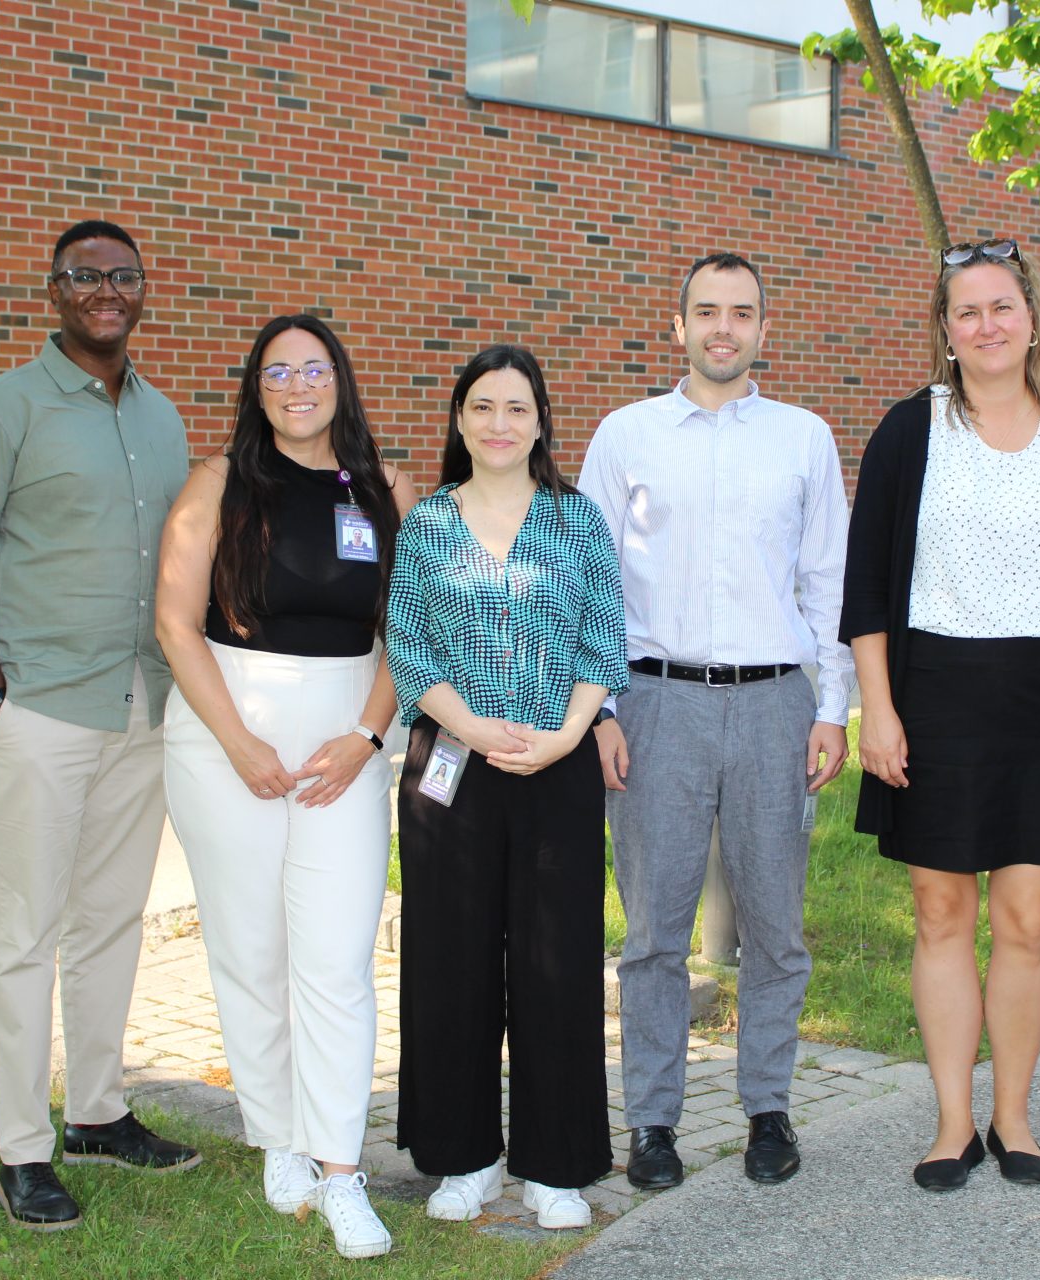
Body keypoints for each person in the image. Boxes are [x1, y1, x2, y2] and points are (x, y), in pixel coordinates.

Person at [0, 220, 198, 1232]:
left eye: (122, 277)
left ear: (141, 291)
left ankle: (96, 1110)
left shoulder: (164, 418)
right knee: (25, 933)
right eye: (86, 277)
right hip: (40, 703)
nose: (105, 292)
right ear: (54, 289)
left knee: (113, 919)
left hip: (143, 704)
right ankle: (23, 1148)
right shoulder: (5, 408)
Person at [840, 237, 1040, 1191]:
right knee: (941, 906)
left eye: (1002, 306)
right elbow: (867, 588)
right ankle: (953, 1123)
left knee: (1029, 912)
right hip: (937, 697)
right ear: (946, 332)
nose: (987, 325)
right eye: (968, 312)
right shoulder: (909, 431)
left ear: (1032, 317)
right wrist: (876, 711)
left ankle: (1015, 1117)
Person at [578, 251, 851, 1190]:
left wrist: (834, 707)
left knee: (775, 924)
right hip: (657, 703)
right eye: (706, 311)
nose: (723, 328)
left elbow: (828, 580)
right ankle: (652, 1124)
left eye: (741, 312)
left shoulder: (804, 438)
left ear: (763, 330)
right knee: (653, 931)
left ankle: (768, 1110)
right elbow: (590, 584)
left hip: (777, 700)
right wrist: (603, 709)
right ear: (679, 326)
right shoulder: (625, 436)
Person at [154, 314, 415, 1258]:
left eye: (313, 369)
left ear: (340, 381)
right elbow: (176, 624)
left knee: (337, 959)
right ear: (256, 389)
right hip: (231, 728)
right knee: (250, 949)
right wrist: (236, 741)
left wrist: (365, 735)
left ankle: (341, 1167)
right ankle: (277, 1139)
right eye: (277, 372)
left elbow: (407, 636)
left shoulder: (387, 491)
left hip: (345, 735)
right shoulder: (219, 486)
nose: (297, 385)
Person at [386, 344, 628, 1231]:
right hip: (453, 766)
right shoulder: (429, 524)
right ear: (459, 420)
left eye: (516, 407)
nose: (499, 423)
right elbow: (408, 645)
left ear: (540, 421)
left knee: (554, 962)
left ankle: (554, 1165)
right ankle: (462, 1159)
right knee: (452, 960)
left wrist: (565, 736)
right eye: (482, 406)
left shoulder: (576, 520)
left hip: (556, 768)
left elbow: (605, 638)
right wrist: (477, 729)